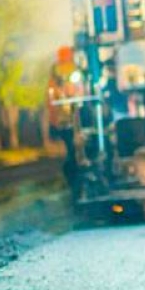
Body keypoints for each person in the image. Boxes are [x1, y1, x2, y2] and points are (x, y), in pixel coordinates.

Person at [48, 46, 80, 193]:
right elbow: (52, 102)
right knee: (72, 151)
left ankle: (74, 179)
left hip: (73, 119)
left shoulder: (74, 70)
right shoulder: (56, 76)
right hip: (67, 121)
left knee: (73, 151)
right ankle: (74, 180)